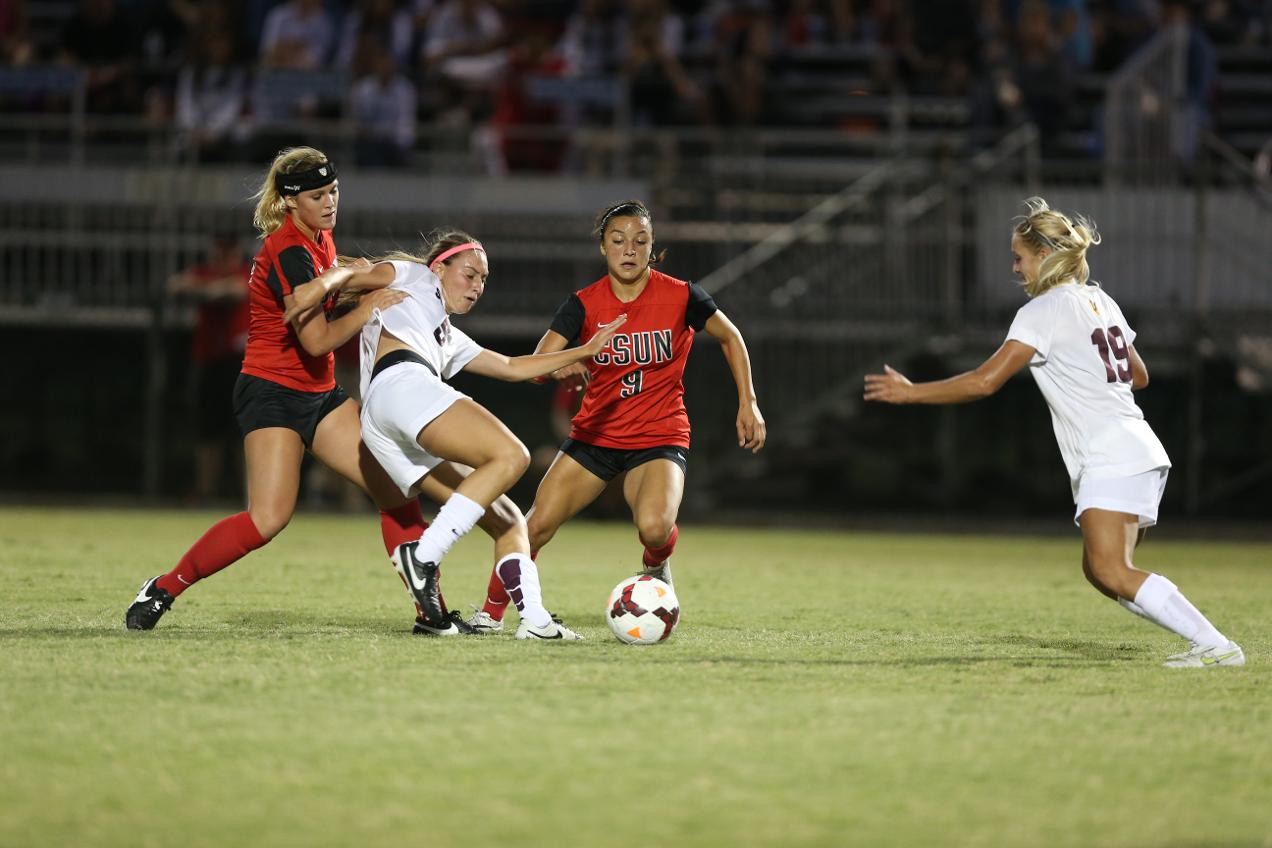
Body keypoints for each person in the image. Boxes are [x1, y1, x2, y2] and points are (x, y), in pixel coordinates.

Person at [124, 147, 493, 637]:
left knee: (396, 492)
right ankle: (165, 587)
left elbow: (326, 299)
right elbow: (316, 339)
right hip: (272, 393)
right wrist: (369, 306)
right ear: (290, 201)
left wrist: (347, 271)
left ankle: (433, 615)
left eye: (334, 192)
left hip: (321, 394)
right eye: (318, 195)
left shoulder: (318, 238)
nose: (329, 202)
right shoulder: (289, 250)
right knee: (268, 519)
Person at [863, 197, 1244, 669]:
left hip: (1112, 453)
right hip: (1138, 448)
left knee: (1110, 569)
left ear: (1044, 257)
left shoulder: (1044, 309)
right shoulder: (1099, 299)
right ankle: (1206, 643)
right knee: (1100, 572)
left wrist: (911, 393)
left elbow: (985, 382)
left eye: (1019, 257)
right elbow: (1138, 375)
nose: (1015, 267)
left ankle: (1215, 645)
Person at [468, 199, 766, 633]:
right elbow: (536, 366)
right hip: (595, 437)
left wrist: (749, 400)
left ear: (652, 247)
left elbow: (730, 335)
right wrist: (563, 364)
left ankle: (656, 564)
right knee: (532, 527)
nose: (629, 249)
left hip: (659, 436)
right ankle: (490, 615)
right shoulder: (584, 304)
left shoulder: (681, 295)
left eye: (640, 240)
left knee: (655, 527)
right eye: (618, 240)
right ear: (603, 248)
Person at [315, 232, 626, 640]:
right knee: (512, 455)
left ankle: (534, 620)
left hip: (387, 419)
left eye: (484, 279)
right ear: (438, 267)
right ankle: (423, 557)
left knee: (509, 519)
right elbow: (349, 274)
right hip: (401, 386)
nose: (477, 285)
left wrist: (582, 351)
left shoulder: (445, 334)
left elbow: (514, 366)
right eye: (470, 274)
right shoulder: (412, 276)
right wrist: (328, 270)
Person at [165, 232, 251, 502]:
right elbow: (175, 285)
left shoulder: (245, 273)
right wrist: (210, 287)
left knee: (243, 432)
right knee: (208, 429)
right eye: (219, 254)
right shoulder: (206, 272)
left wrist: (207, 288)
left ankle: (249, 494)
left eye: (228, 254)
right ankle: (206, 490)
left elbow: (234, 290)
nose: (223, 259)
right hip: (210, 361)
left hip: (240, 363)